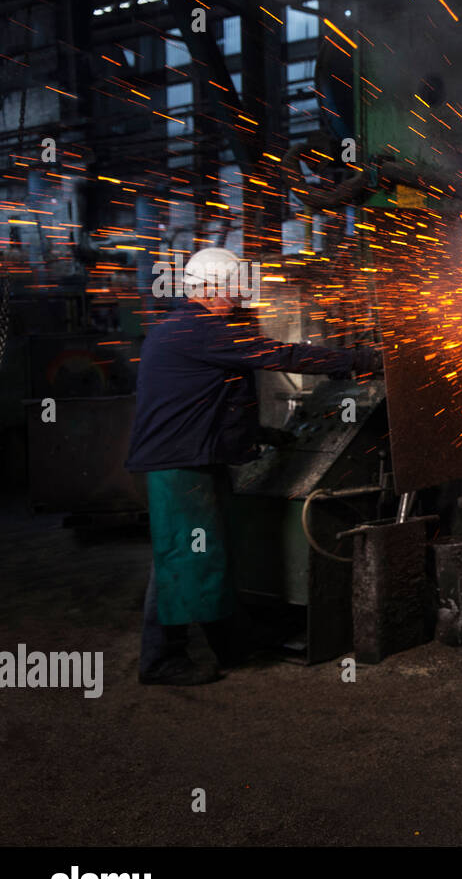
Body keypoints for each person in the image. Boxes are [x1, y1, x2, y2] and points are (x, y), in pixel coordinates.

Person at [125, 248, 383, 686]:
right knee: (187, 558)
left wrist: (261, 434)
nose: (238, 301)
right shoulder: (199, 330)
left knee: (193, 556)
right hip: (181, 466)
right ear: (207, 288)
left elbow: (203, 403)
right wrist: (356, 361)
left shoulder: (185, 328)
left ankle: (231, 641)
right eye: (230, 292)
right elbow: (281, 355)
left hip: (192, 458)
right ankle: (162, 659)